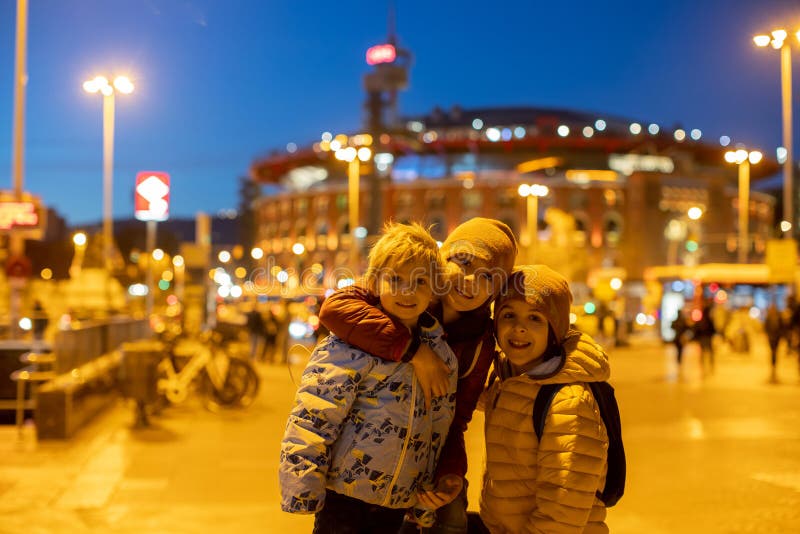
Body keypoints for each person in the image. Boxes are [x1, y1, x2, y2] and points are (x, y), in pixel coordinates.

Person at [319, 217, 519, 533]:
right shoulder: (408, 294)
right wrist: (415, 351)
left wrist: (450, 473)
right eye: (463, 263)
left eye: (487, 277)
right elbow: (335, 308)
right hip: (360, 463)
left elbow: (457, 420)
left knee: (451, 516)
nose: (469, 281)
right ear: (442, 263)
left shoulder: (480, 343)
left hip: (422, 458)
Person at [279, 222, 458, 533]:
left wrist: (424, 493)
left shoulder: (441, 354)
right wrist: (302, 481)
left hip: (399, 502)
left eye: (419, 282)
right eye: (396, 279)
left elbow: (436, 429)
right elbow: (315, 412)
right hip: (344, 496)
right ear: (375, 282)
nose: (407, 291)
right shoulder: (350, 344)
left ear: (435, 290)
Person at [479, 265, 611, 533]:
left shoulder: (568, 402)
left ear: (556, 328)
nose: (519, 328)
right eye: (508, 314)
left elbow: (562, 514)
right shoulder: (507, 382)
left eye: (535, 318)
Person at [693, 302, 716, 374]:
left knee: (702, 353)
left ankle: (703, 366)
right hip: (708, 339)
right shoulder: (709, 320)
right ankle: (710, 366)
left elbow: (696, 329)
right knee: (710, 353)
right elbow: (713, 329)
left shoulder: (701, 320)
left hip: (702, 339)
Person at [764, 304, 783, 383]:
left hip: (776, 338)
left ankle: (774, 367)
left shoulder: (778, 317)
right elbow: (766, 327)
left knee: (775, 352)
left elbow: (782, 327)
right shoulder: (769, 318)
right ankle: (773, 367)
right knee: (773, 352)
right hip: (771, 338)